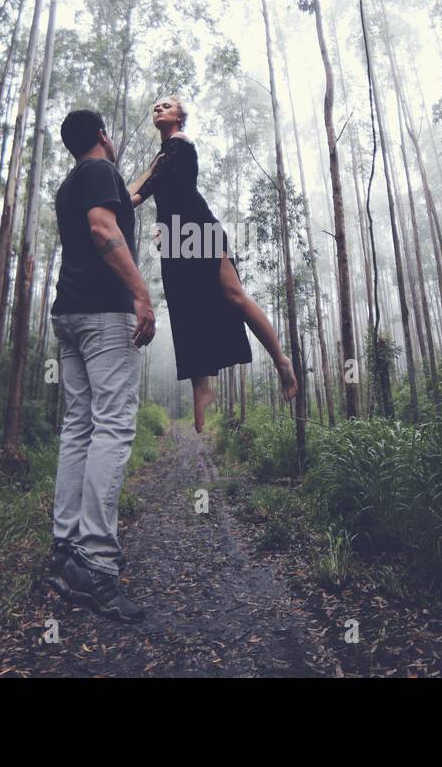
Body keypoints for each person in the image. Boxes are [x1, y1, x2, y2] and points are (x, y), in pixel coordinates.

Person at [128, 95, 298, 434]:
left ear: (179, 118)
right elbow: (126, 198)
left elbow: (152, 190)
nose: (159, 109)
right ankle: (201, 387)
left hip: (197, 228)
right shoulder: (161, 158)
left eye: (167, 106)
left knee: (233, 295)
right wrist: (147, 174)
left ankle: (281, 360)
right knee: (184, 309)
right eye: (155, 107)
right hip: (175, 238)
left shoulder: (181, 145)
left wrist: (151, 177)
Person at [46, 109, 155, 624]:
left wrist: (153, 175)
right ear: (103, 136)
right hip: (104, 315)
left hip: (67, 316)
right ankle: (97, 563)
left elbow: (122, 201)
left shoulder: (73, 183)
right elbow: (103, 225)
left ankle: (66, 552)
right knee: (112, 427)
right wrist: (141, 295)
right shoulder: (100, 173)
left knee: (79, 429)